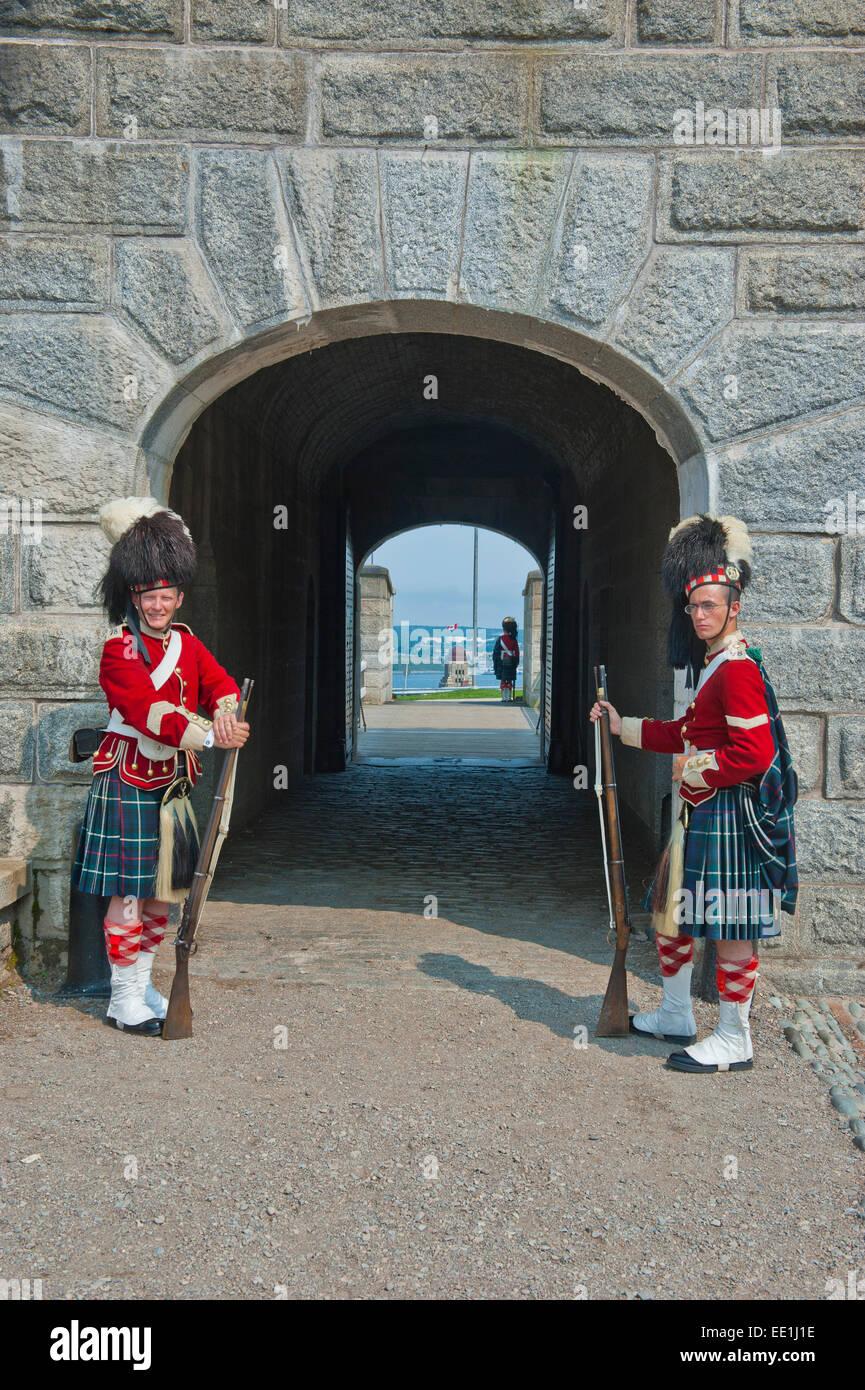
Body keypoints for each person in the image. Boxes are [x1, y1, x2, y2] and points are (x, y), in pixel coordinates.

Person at [590, 514, 797, 1074]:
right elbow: (685, 731)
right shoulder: (713, 666)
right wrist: (621, 725)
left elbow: (754, 755)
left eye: (711, 605)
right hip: (701, 813)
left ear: (735, 605)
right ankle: (677, 1013)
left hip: (728, 813)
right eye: (694, 606)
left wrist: (697, 771)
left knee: (732, 929)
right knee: (671, 914)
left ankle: (734, 1038)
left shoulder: (736, 670)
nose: (700, 616)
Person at [72, 497, 249, 1036]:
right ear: (135, 594)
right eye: (150, 596)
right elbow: (148, 713)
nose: (158, 606)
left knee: (160, 894)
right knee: (128, 893)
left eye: (167, 595)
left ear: (177, 595)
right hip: (125, 778)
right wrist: (211, 737)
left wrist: (226, 712)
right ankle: (122, 996)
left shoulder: (188, 644)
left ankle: (144, 982)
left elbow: (219, 684)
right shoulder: (118, 651)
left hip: (169, 784)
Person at [492, 617, 520, 703]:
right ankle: (508, 697)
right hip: (511, 661)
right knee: (510, 680)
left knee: (503, 680)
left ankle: (504, 698)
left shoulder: (500, 639)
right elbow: (517, 652)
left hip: (502, 661)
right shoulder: (514, 639)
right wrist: (516, 662)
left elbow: (495, 653)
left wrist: (495, 664)